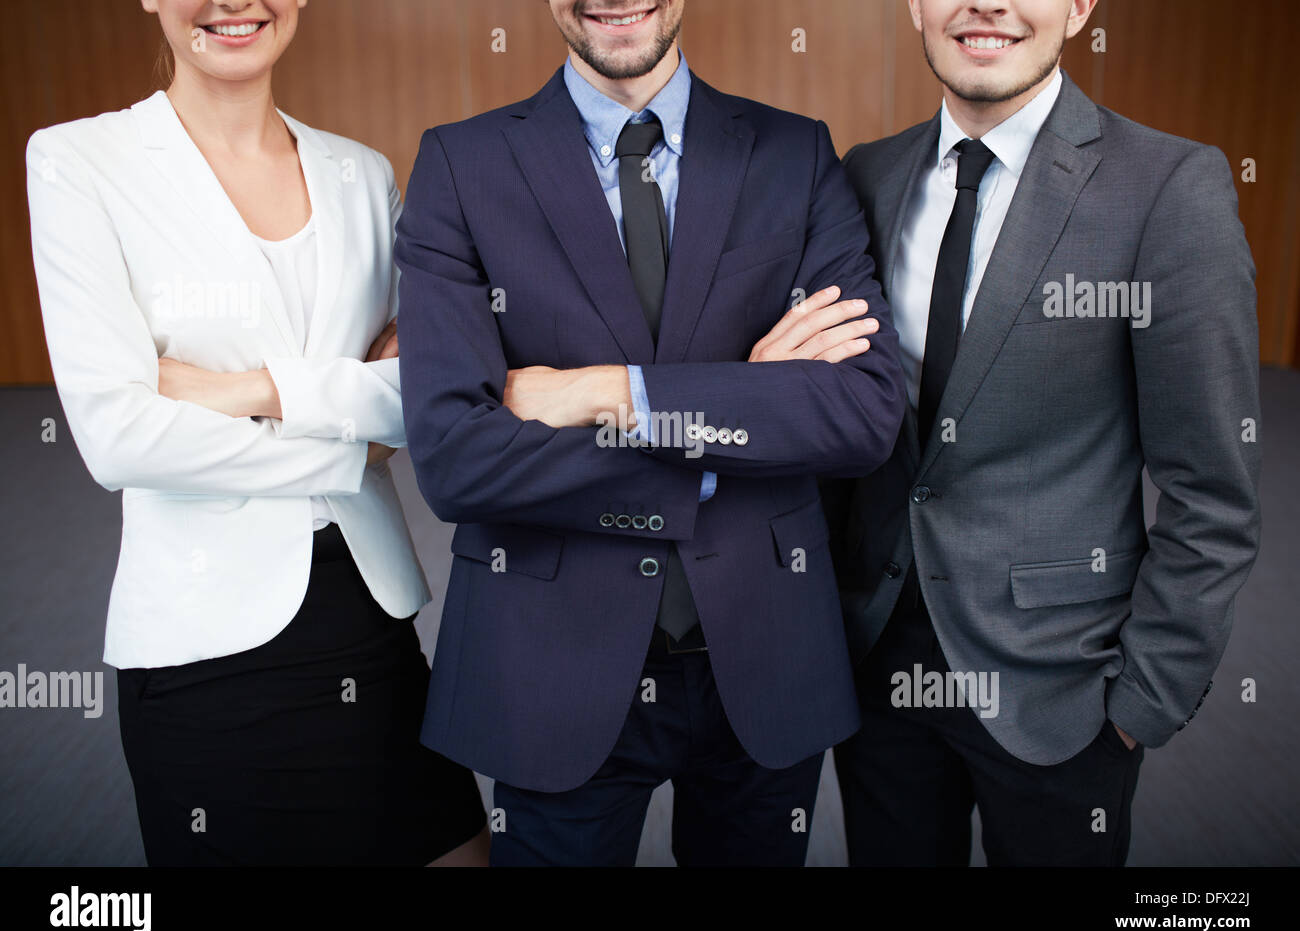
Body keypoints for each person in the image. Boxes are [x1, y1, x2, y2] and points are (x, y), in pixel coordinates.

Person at [395, 0, 905, 866]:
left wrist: (608, 393)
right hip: (551, 662)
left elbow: (861, 413)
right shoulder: (461, 163)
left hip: (763, 645)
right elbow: (456, 461)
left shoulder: (794, 153)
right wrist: (740, 408)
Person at [26, 0, 487, 866]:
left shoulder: (361, 174)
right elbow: (119, 438)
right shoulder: (79, 162)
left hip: (369, 614)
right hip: (206, 651)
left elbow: (415, 396)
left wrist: (239, 391)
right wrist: (349, 436)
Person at [824, 0, 1261, 866]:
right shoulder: (866, 175)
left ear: (1079, 6)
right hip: (876, 664)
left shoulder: (1169, 187)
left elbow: (1210, 489)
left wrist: (1141, 704)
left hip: (1064, 689)